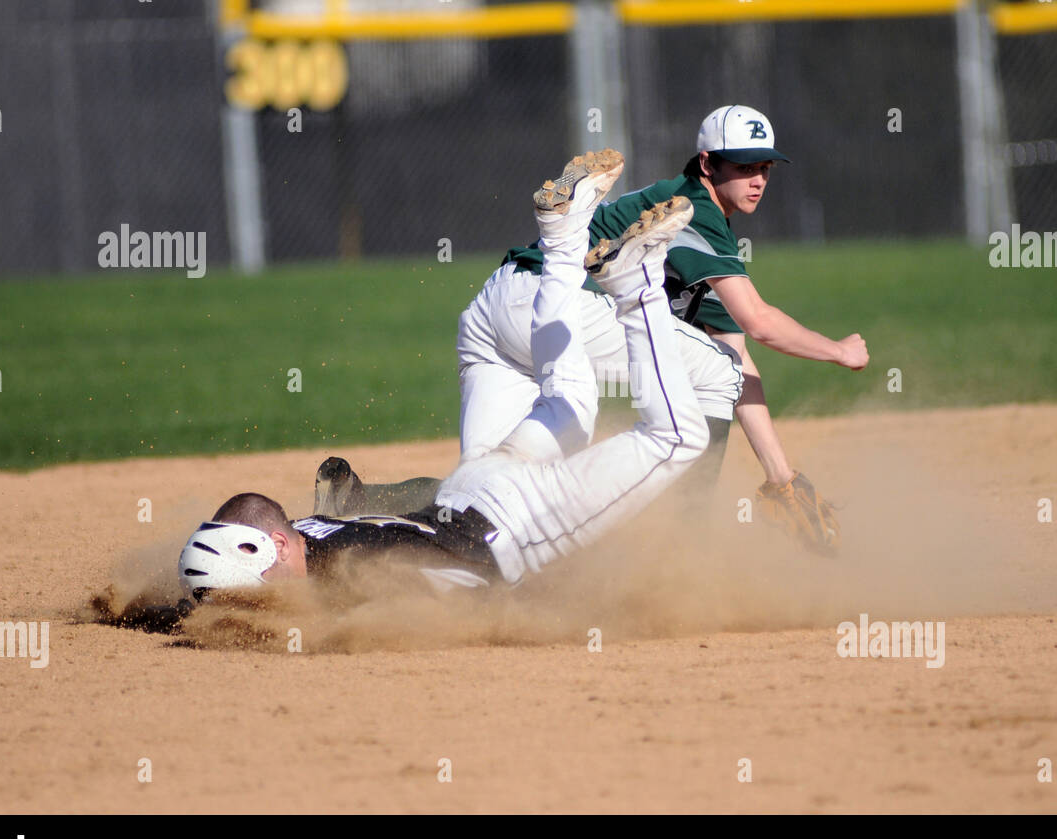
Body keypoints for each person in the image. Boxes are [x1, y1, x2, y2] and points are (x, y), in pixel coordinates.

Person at [155, 161, 707, 628]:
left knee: (679, 435)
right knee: (570, 397)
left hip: (515, 521)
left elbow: (458, 598)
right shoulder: (300, 534)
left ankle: (634, 284)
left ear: (276, 544)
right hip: (473, 489)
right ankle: (562, 243)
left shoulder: (349, 575)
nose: (258, 607)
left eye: (253, 591)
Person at [360, 107, 868, 553]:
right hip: (558, 304)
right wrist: (839, 350)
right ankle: (682, 544)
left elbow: (733, 349)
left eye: (764, 167)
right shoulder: (695, 213)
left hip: (498, 306)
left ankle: (366, 508)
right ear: (709, 164)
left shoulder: (679, 211)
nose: (757, 179)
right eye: (743, 167)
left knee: (490, 482)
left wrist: (779, 475)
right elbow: (757, 325)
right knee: (705, 380)